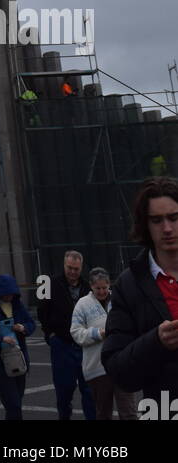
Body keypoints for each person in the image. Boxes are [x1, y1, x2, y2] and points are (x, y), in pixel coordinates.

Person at [102, 176, 178, 403]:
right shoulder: (129, 285)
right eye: (156, 220)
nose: (167, 228)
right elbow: (118, 371)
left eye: (174, 218)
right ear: (145, 224)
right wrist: (156, 342)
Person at [71, 267, 137, 420]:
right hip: (97, 368)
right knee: (103, 413)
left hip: (122, 364)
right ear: (91, 286)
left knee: (129, 412)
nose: (101, 291)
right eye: (97, 288)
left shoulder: (120, 299)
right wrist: (98, 333)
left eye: (104, 287)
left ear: (109, 285)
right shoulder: (82, 304)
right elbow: (76, 332)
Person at [37, 250, 95, 420]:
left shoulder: (87, 286)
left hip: (85, 346)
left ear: (81, 268)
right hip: (62, 345)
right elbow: (42, 311)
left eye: (76, 269)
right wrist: (50, 335)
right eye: (69, 267)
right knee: (63, 390)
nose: (72, 272)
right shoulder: (49, 284)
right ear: (64, 265)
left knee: (89, 391)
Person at [0, 274, 36, 420]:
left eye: (12, 292)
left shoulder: (17, 305)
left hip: (18, 358)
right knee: (13, 404)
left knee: (17, 400)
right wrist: (0, 338)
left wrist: (23, 328)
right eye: (7, 292)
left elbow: (31, 323)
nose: (10, 296)